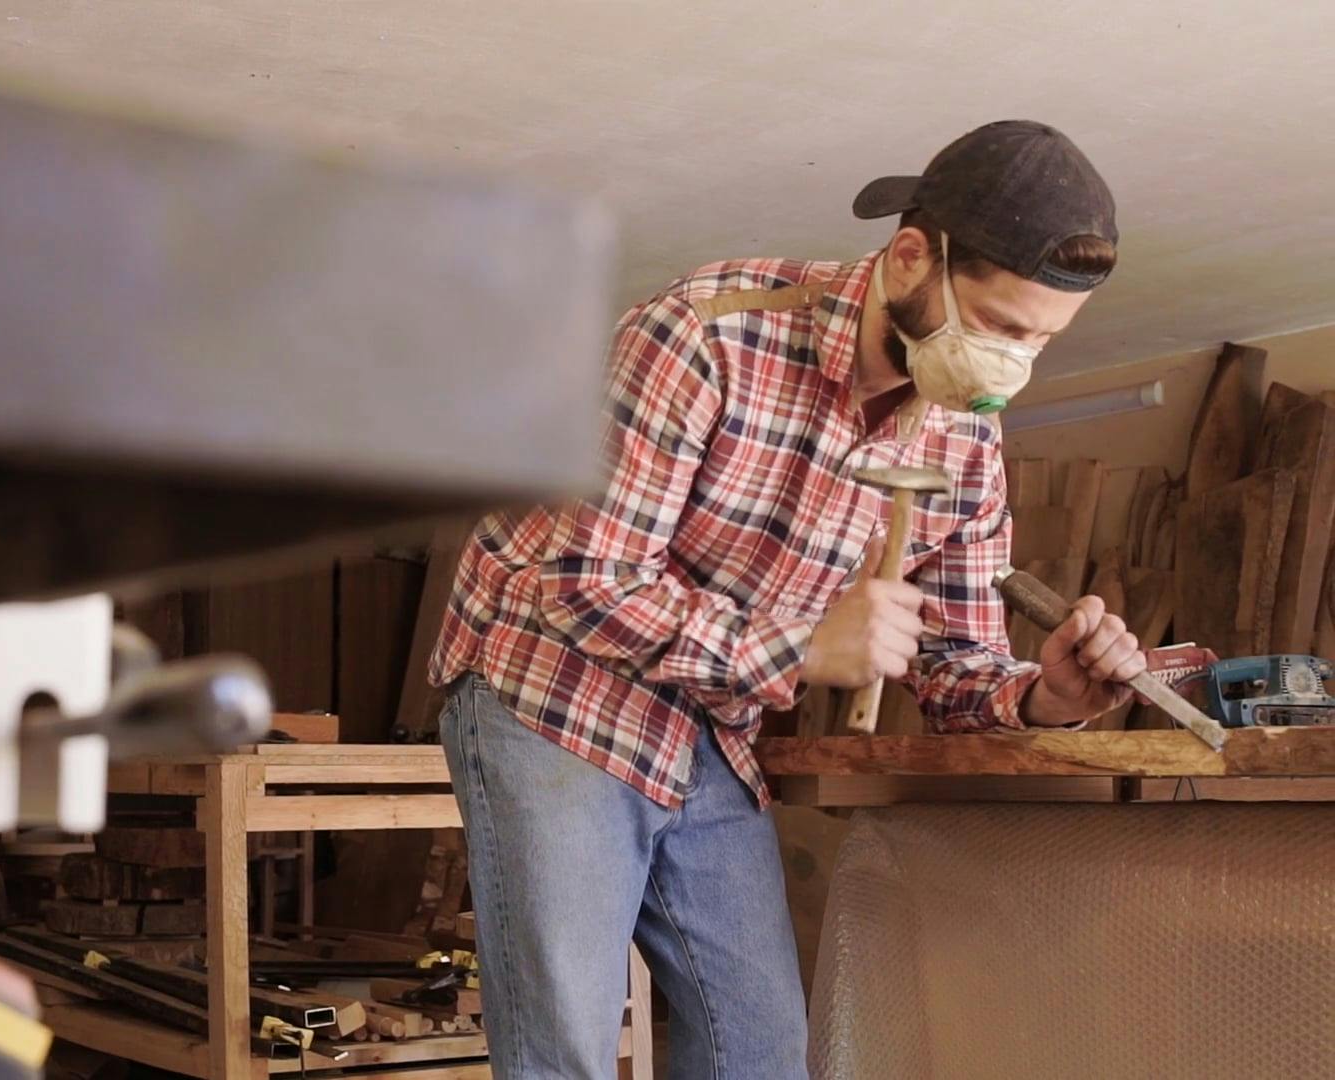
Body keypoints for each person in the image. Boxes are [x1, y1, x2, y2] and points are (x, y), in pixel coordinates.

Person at [429, 120, 1141, 1079]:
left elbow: (957, 667)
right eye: (1001, 326)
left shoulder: (966, 438)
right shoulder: (704, 332)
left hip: (708, 723)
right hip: (554, 690)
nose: (1013, 365)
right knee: (567, 1049)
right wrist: (804, 649)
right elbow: (585, 586)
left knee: (758, 1052)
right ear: (909, 257)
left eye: (1042, 341)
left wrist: (1044, 697)